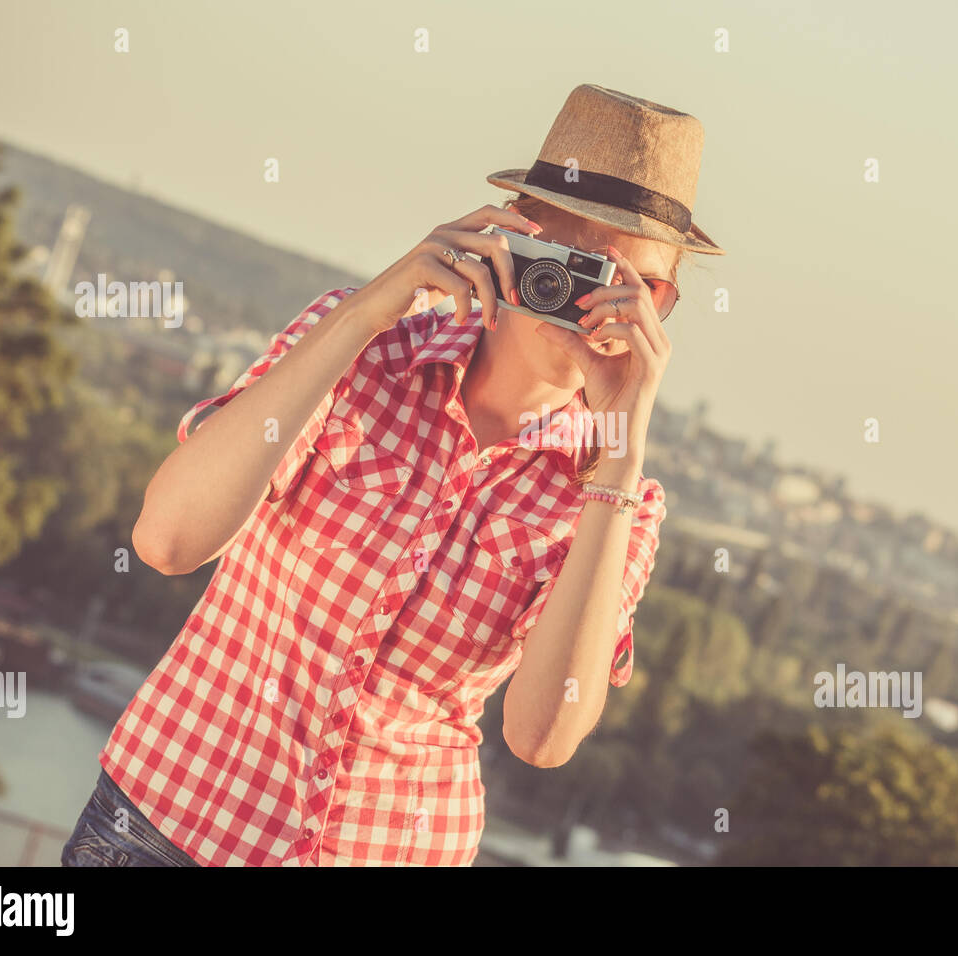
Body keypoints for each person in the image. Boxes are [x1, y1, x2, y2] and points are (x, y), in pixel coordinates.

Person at [61, 83, 724, 867]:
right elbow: (167, 541)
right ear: (515, 237)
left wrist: (620, 448)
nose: (601, 305)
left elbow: (542, 737)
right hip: (170, 828)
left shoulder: (621, 502)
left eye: (641, 288)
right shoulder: (360, 352)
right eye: (584, 264)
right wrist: (366, 312)